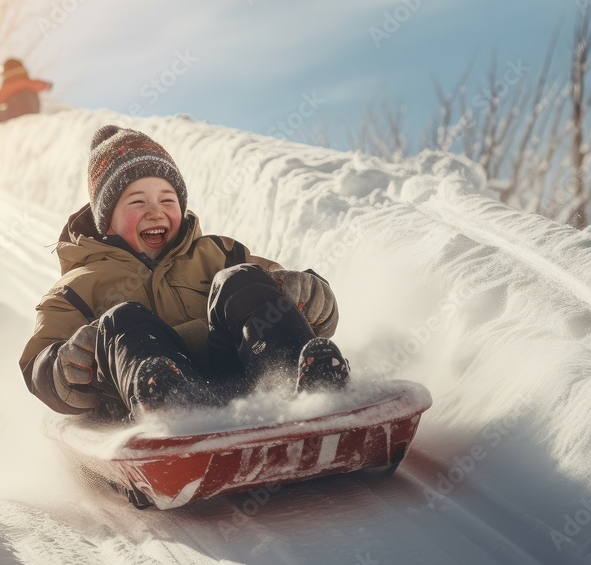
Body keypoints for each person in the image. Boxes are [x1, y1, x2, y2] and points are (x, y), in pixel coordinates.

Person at [19, 125, 350, 419]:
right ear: (106, 221)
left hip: (242, 372)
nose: (155, 212)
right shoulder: (76, 288)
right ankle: (169, 405)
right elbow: (38, 363)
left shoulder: (219, 253)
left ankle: (300, 377)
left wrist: (309, 293)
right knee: (122, 319)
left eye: (168, 200)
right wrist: (64, 365)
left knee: (241, 280)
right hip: (145, 393)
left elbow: (275, 293)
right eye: (137, 202)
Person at [0, 58, 52, 143]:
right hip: (33, 112)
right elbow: (45, 85)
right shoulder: (29, 82)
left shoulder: (10, 84)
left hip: (14, 114)